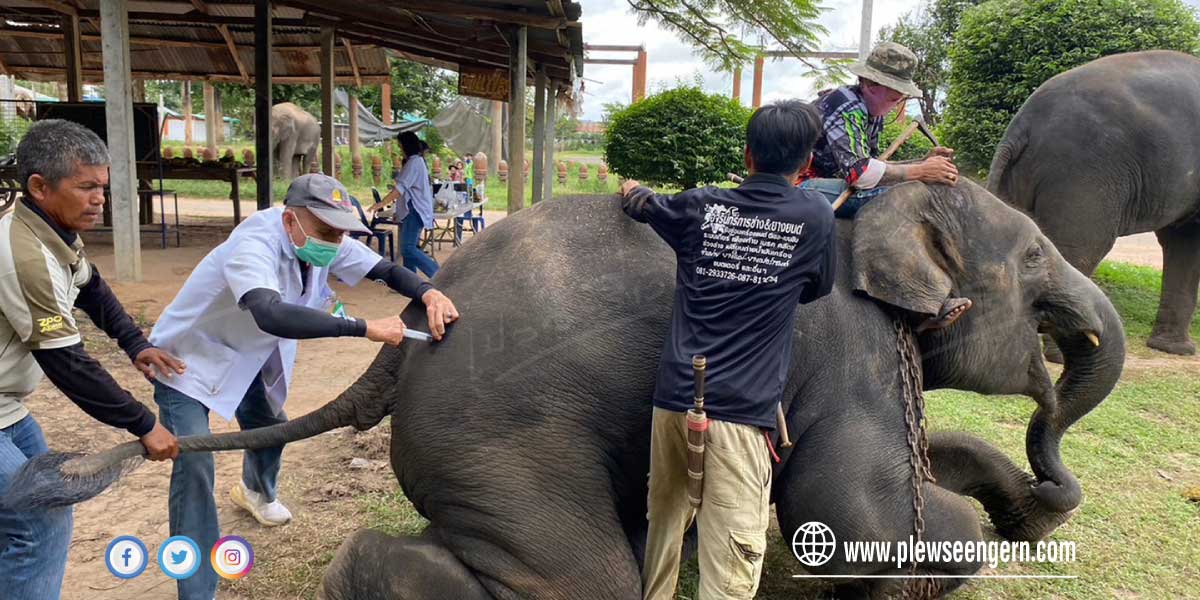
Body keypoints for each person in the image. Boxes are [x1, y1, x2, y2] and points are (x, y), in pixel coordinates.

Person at [148, 173, 459, 600]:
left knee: (269, 422)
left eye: (341, 232)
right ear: (290, 219)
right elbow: (270, 314)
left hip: (249, 355)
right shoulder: (253, 244)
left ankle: (255, 491)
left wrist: (427, 292)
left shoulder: (319, 240)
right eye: (327, 231)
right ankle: (197, 589)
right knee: (194, 462)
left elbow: (383, 269)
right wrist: (363, 327)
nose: (335, 241)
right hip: (188, 358)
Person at [623, 100, 836, 599]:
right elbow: (816, 289)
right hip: (742, 416)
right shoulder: (814, 215)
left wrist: (632, 190)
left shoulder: (701, 205)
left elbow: (647, 204)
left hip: (674, 399)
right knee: (733, 558)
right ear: (806, 166)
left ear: (747, 156)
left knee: (664, 528)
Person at [0, 120, 183, 599]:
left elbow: (92, 288)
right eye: (85, 187)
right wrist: (144, 424)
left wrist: (135, 343)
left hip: (8, 409)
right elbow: (68, 363)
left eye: (102, 186)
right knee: (37, 522)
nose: (99, 198)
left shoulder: (52, 233)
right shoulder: (25, 256)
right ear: (39, 187)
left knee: (34, 515)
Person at [800, 41, 959, 218]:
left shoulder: (872, 112)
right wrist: (920, 171)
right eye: (893, 98)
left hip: (824, 179)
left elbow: (874, 166)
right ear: (870, 85)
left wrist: (920, 163)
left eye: (900, 99)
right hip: (794, 184)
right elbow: (860, 174)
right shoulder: (847, 107)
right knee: (899, 195)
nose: (896, 104)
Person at [368, 132, 438, 277]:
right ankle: (409, 280)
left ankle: (437, 274)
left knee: (407, 248)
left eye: (400, 147)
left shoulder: (414, 162)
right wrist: (398, 211)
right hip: (411, 210)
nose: (400, 150)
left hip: (415, 210)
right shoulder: (415, 161)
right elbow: (404, 192)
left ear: (407, 146)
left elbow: (399, 190)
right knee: (408, 250)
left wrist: (380, 204)